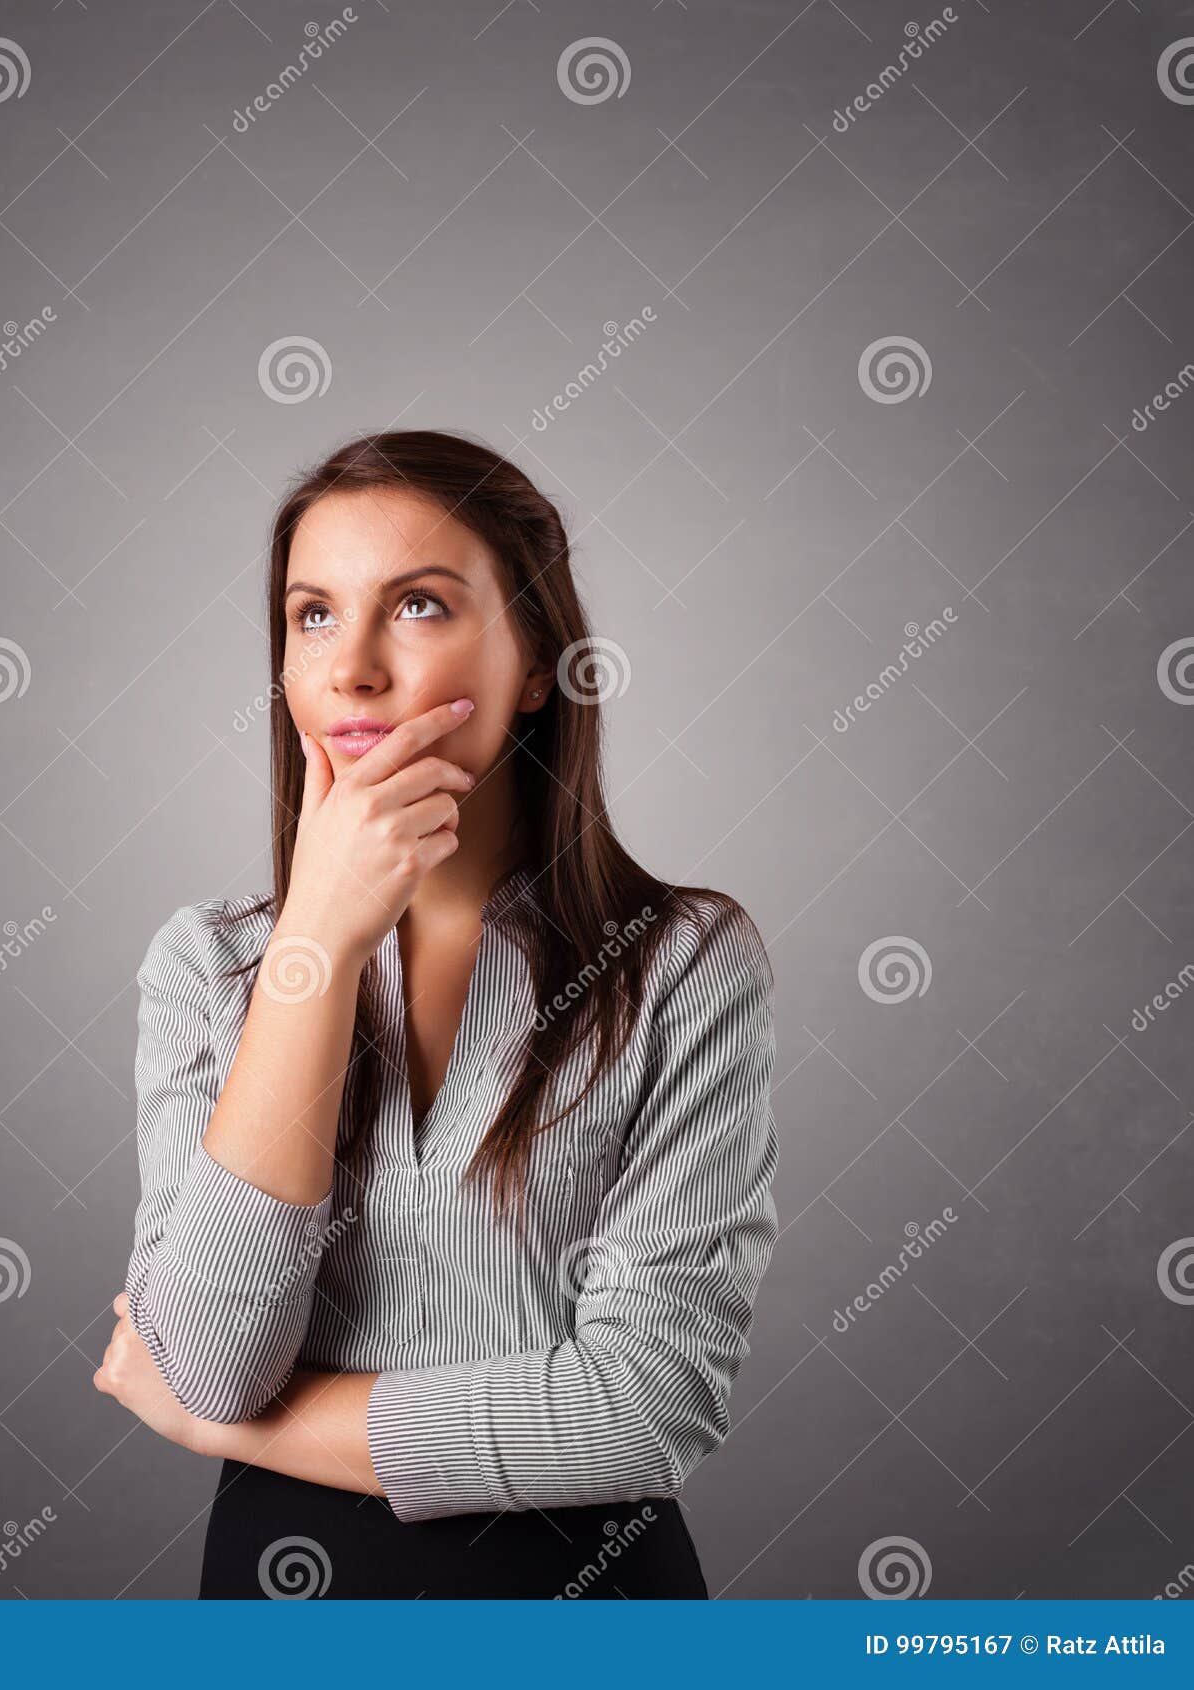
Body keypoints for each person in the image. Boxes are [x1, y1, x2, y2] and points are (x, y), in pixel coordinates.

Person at [93, 428, 780, 1599]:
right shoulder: (207, 964)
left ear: (533, 664)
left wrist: (241, 1432)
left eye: (414, 606)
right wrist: (314, 944)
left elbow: (640, 1412)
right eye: (312, 615)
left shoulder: (678, 963)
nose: (351, 667)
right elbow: (209, 1360)